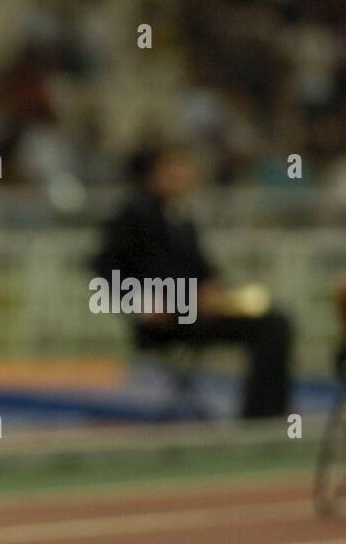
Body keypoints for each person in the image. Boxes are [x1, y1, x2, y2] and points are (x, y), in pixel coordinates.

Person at [93, 146, 293, 419]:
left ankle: (267, 413)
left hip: (197, 311)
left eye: (185, 169)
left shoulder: (182, 218)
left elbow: (202, 270)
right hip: (167, 320)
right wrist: (142, 305)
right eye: (173, 168)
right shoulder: (134, 212)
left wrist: (215, 291)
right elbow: (104, 266)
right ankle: (259, 418)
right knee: (271, 326)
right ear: (155, 173)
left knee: (276, 319)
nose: (182, 176)